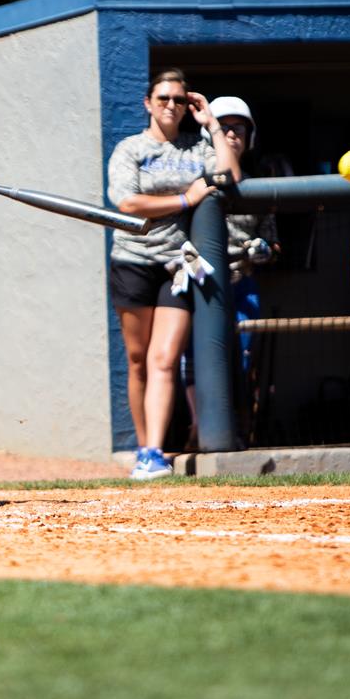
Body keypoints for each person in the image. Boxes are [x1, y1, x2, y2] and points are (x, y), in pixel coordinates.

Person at [106, 69, 242, 480]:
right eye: (163, 98)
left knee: (164, 358)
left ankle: (153, 451)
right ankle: (142, 446)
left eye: (179, 100)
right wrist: (185, 199)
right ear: (148, 103)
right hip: (132, 261)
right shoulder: (131, 149)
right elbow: (126, 202)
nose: (171, 105)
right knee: (137, 361)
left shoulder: (196, 146)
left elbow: (231, 176)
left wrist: (212, 125)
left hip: (176, 265)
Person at [180, 97, 276, 445]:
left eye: (240, 128)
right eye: (225, 127)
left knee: (243, 357)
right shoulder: (192, 175)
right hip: (201, 281)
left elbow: (273, 243)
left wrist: (263, 251)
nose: (233, 134)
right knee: (196, 356)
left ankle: (241, 429)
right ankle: (197, 428)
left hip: (241, 280)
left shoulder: (256, 185)